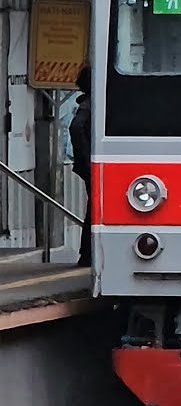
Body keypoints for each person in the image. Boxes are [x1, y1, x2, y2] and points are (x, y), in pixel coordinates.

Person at [69, 66, 91, 267]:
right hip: (91, 166)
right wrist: (85, 158)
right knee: (94, 209)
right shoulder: (89, 106)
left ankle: (87, 254)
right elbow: (76, 126)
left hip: (88, 165)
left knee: (94, 208)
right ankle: (86, 255)